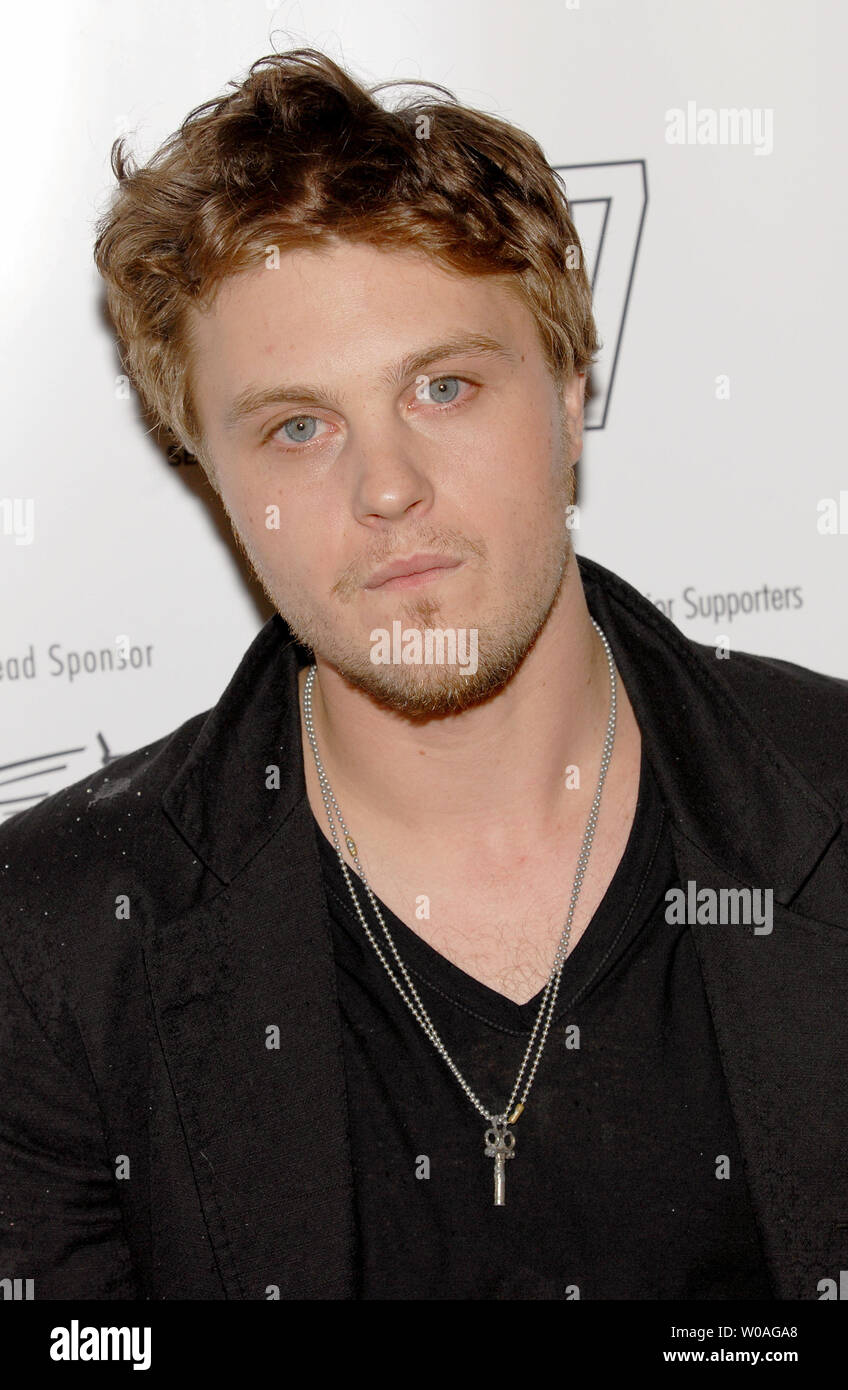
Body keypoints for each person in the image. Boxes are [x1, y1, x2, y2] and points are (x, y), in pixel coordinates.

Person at [1, 48, 846, 1302]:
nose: (385, 486)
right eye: (298, 426)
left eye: (443, 387)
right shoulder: (54, 942)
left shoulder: (826, 787)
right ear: (211, 480)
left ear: (568, 395)